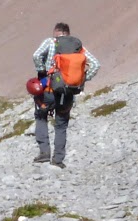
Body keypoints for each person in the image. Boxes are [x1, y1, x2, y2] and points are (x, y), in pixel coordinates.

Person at [31, 21, 99, 167]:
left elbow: (36, 55)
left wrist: (42, 71)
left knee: (41, 116)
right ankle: (58, 159)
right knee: (61, 125)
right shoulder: (77, 47)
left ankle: (44, 153)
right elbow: (95, 64)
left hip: (48, 90)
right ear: (68, 33)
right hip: (69, 91)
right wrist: (82, 79)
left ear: (56, 31)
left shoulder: (50, 42)